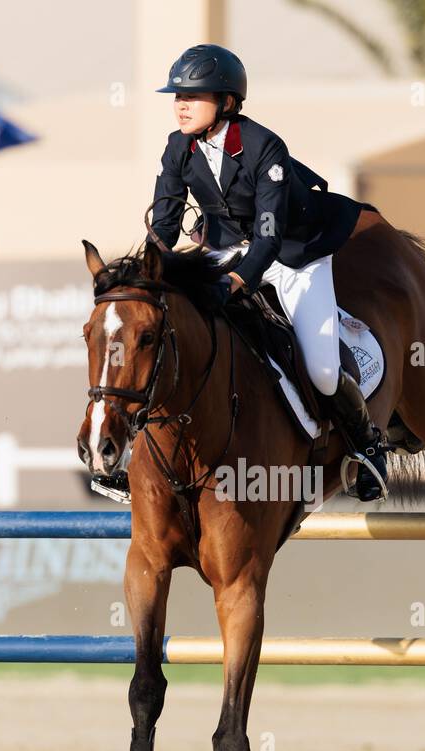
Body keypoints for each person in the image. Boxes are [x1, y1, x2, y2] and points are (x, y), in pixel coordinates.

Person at [149, 44, 389, 501]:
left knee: (320, 370)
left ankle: (367, 445)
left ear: (227, 102)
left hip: (294, 254)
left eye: (192, 96)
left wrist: (236, 283)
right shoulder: (178, 146)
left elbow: (268, 238)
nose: (180, 104)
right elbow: (163, 224)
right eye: (176, 94)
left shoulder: (263, 147)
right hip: (226, 247)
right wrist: (148, 277)